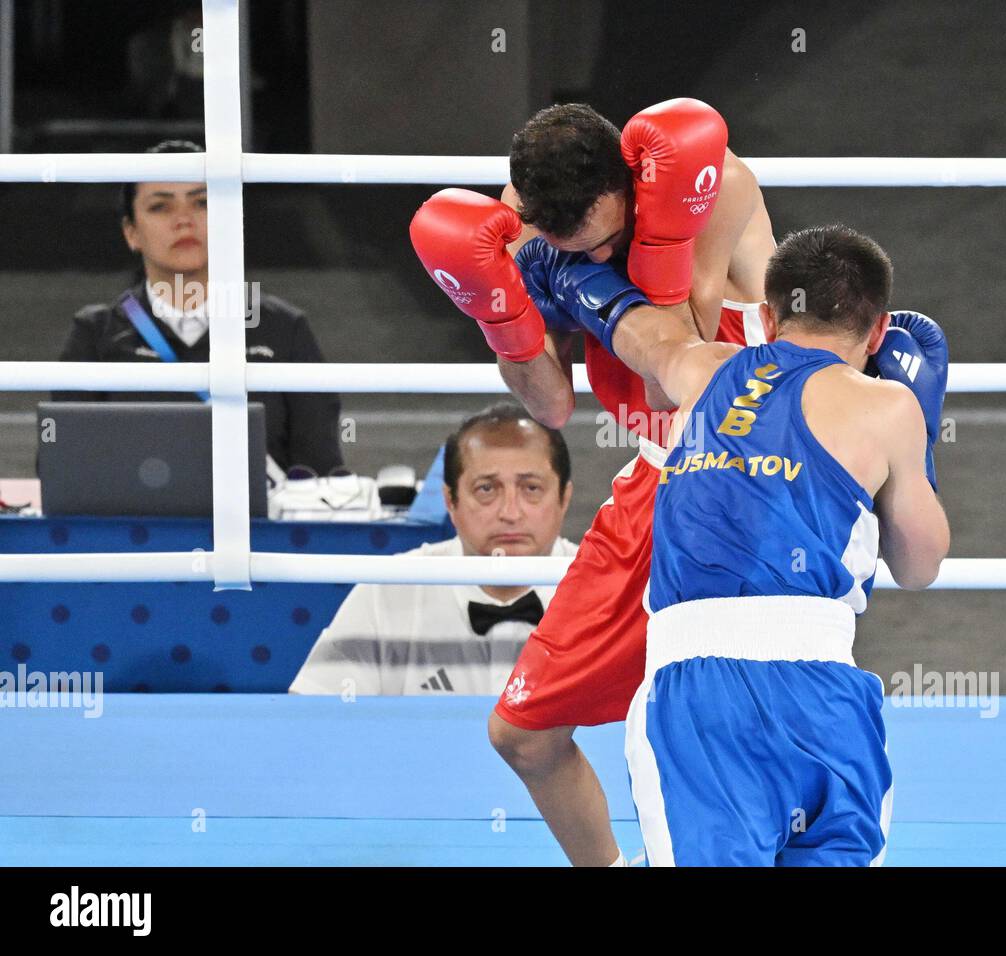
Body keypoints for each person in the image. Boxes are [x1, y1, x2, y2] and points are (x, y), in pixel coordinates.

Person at [411, 97, 776, 866]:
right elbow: (549, 405)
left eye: (612, 238)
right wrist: (501, 316)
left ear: (628, 181)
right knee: (523, 732)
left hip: (744, 484)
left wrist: (602, 283)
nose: (603, 255)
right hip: (654, 483)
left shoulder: (712, 185)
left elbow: (678, 380)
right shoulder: (521, 229)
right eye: (577, 251)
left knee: (719, 734)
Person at [519, 224, 951, 865]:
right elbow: (918, 566)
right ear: (879, 330)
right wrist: (921, 432)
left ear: (768, 319)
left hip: (697, 699)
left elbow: (629, 324)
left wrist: (561, 271)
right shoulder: (889, 407)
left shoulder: (699, 369)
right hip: (827, 699)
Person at [52, 139, 344, 477]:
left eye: (202, 203)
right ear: (131, 233)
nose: (184, 221)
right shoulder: (94, 334)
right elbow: (61, 469)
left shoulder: (285, 329)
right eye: (160, 207)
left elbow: (322, 473)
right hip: (132, 514)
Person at [289, 404, 578, 696]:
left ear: (563, 499)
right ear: (450, 501)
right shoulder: (387, 590)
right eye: (486, 489)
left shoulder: (603, 591)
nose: (510, 513)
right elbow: (313, 713)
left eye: (531, 488)